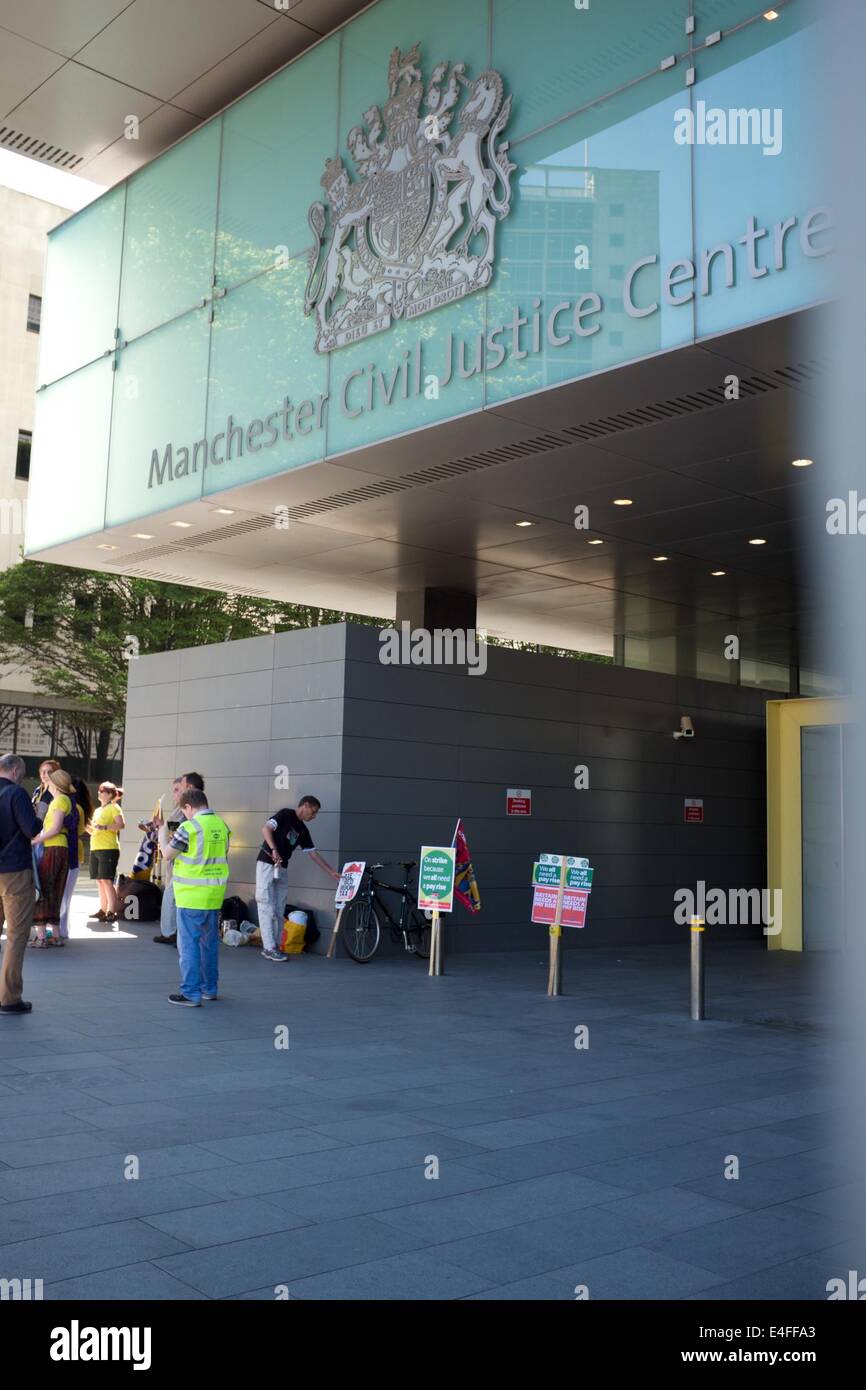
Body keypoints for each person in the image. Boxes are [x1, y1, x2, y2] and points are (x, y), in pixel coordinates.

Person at [158, 787, 230, 1006]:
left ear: (189, 806)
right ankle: (210, 988)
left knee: (188, 946)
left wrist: (162, 833)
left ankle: (191, 993)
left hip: (191, 896)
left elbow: (167, 854)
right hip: (214, 895)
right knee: (209, 945)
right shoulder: (222, 826)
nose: (185, 815)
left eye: (184, 811)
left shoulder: (189, 828)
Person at [255, 795, 339, 963]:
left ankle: (276, 945)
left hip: (282, 867)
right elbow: (266, 829)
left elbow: (313, 854)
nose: (313, 817)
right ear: (305, 806)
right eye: (313, 812)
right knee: (266, 905)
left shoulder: (302, 830)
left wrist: (331, 872)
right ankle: (269, 947)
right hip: (266, 862)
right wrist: (274, 849)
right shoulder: (286, 814)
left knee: (279, 908)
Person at [0, 753, 41, 1014]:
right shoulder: (17, 794)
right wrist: (39, 815)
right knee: (16, 935)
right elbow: (31, 830)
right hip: (13, 870)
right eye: (23, 773)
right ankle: (9, 998)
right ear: (15, 771)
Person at [152, 773, 204, 945]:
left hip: (183, 861)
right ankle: (173, 932)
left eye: (179, 787)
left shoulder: (188, 811)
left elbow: (177, 834)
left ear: (189, 787)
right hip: (183, 861)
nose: (177, 792)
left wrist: (162, 831)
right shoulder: (190, 811)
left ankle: (172, 933)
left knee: (173, 897)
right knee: (174, 897)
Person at [31, 767, 74, 947]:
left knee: (43, 890)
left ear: (55, 783)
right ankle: (55, 935)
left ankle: (41, 937)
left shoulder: (59, 801)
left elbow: (55, 828)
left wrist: (35, 841)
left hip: (52, 848)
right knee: (55, 891)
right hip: (60, 848)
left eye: (49, 779)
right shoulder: (64, 800)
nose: (46, 781)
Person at [59, 777, 93, 942]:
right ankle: (63, 928)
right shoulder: (78, 807)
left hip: (72, 850)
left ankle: (62, 928)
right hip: (75, 850)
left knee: (64, 893)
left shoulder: (74, 807)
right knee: (66, 894)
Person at [87, 781, 124, 923]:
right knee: (100, 880)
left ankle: (111, 912)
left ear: (109, 794)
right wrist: (85, 826)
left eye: (102, 791)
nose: (99, 792)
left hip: (108, 848)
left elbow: (121, 825)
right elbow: (94, 831)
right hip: (96, 847)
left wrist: (105, 827)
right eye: (99, 790)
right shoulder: (98, 811)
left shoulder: (114, 807)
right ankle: (103, 910)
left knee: (107, 880)